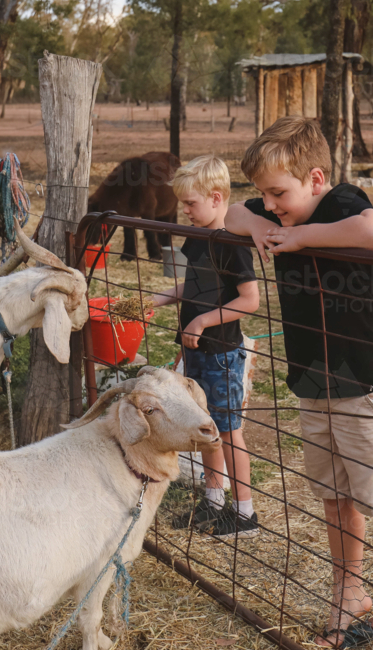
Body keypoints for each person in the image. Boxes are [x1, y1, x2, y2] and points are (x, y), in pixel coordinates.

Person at [223, 116, 373, 650]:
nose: (271, 204)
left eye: (279, 194)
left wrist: (298, 236)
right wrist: (260, 224)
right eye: (266, 194)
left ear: (315, 179)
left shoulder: (339, 203)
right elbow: (231, 211)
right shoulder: (274, 209)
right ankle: (350, 596)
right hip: (313, 382)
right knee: (335, 499)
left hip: (366, 383)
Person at [151, 155, 262, 538]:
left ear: (216, 199)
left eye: (190, 203)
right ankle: (215, 504)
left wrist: (202, 320)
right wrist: (159, 298)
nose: (185, 210)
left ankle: (244, 512)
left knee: (229, 432)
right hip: (197, 353)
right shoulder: (197, 239)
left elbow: (250, 300)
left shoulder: (233, 244)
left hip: (222, 355)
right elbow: (194, 286)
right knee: (207, 427)